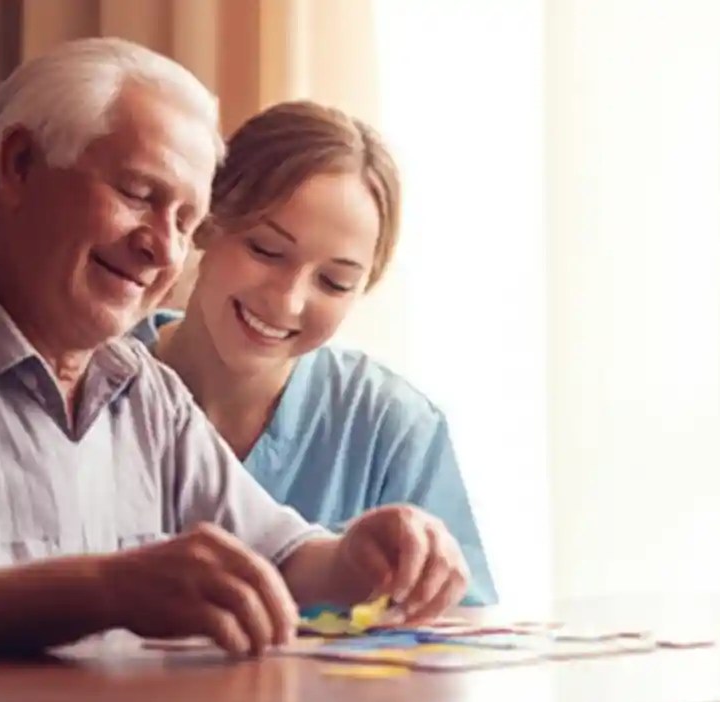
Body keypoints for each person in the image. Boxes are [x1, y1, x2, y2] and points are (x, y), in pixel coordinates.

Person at [0, 38, 469, 664]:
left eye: (184, 220)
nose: (163, 250)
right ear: (20, 165)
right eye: (140, 196)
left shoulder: (145, 391)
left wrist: (359, 556)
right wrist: (102, 589)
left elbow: (282, 555)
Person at [135, 101, 498, 605]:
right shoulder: (91, 385)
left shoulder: (391, 429)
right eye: (264, 250)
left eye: (334, 281)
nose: (288, 300)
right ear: (207, 221)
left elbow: (458, 638)